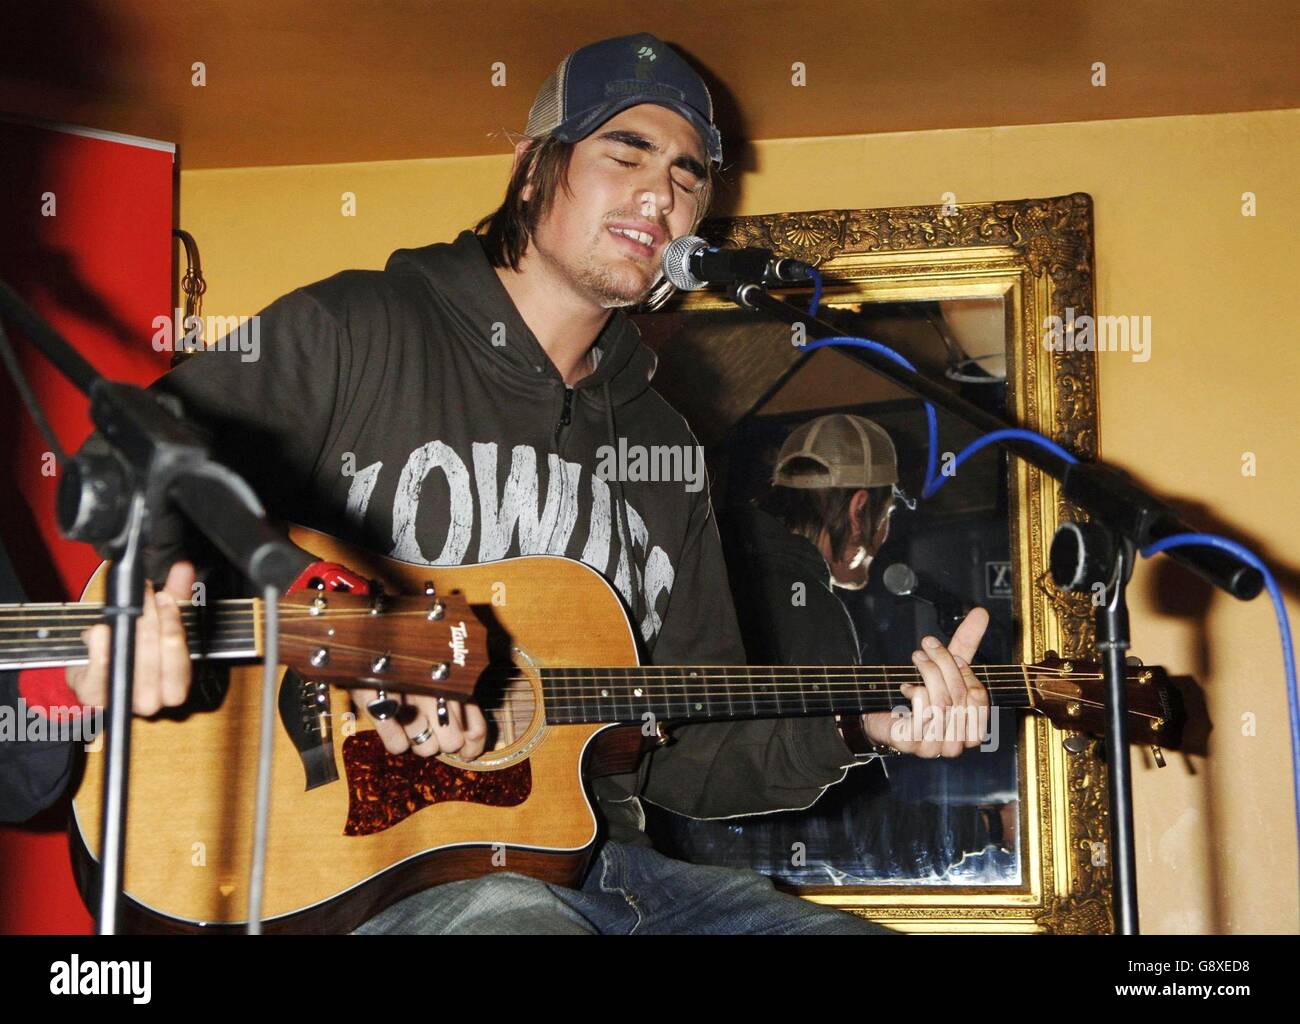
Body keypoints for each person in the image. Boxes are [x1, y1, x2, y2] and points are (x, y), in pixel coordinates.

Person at [12, 32, 989, 933]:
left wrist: (857, 725)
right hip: (360, 878)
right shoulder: (359, 327)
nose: (662, 194)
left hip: (602, 869)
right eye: (626, 153)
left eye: (688, 176)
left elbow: (688, 752)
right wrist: (169, 591)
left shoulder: (665, 448)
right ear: (533, 169)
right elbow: (159, 459)